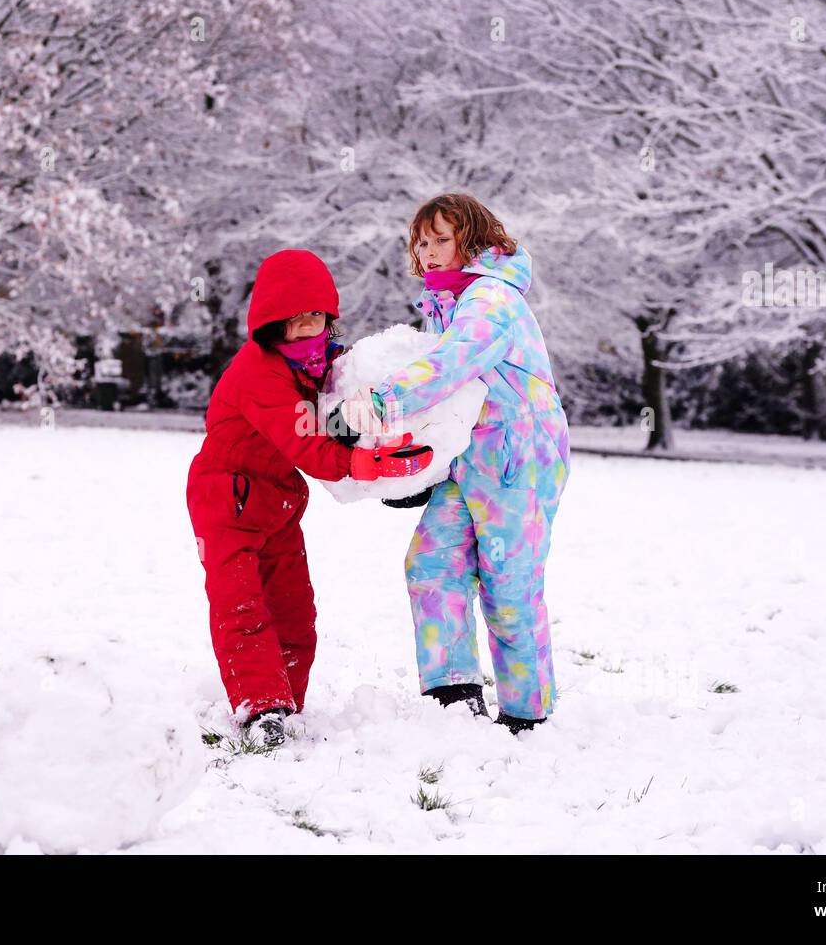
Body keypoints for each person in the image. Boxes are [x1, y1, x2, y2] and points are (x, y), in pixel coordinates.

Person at [340, 194, 570, 733]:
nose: (429, 252)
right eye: (422, 242)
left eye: (441, 238)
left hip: (519, 454)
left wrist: (378, 404)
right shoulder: (449, 300)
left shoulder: (490, 298)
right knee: (431, 565)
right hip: (470, 455)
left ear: (474, 238)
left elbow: (453, 363)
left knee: (509, 586)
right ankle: (455, 698)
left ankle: (525, 716)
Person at [186, 249, 433, 746]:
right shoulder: (258, 371)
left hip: (277, 503)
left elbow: (340, 413)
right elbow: (305, 440)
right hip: (225, 499)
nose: (306, 330)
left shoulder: (325, 366)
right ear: (271, 326)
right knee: (242, 609)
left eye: (315, 318)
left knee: (295, 610)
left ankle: (287, 702)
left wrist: (392, 459)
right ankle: (262, 709)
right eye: (294, 322)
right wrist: (363, 467)